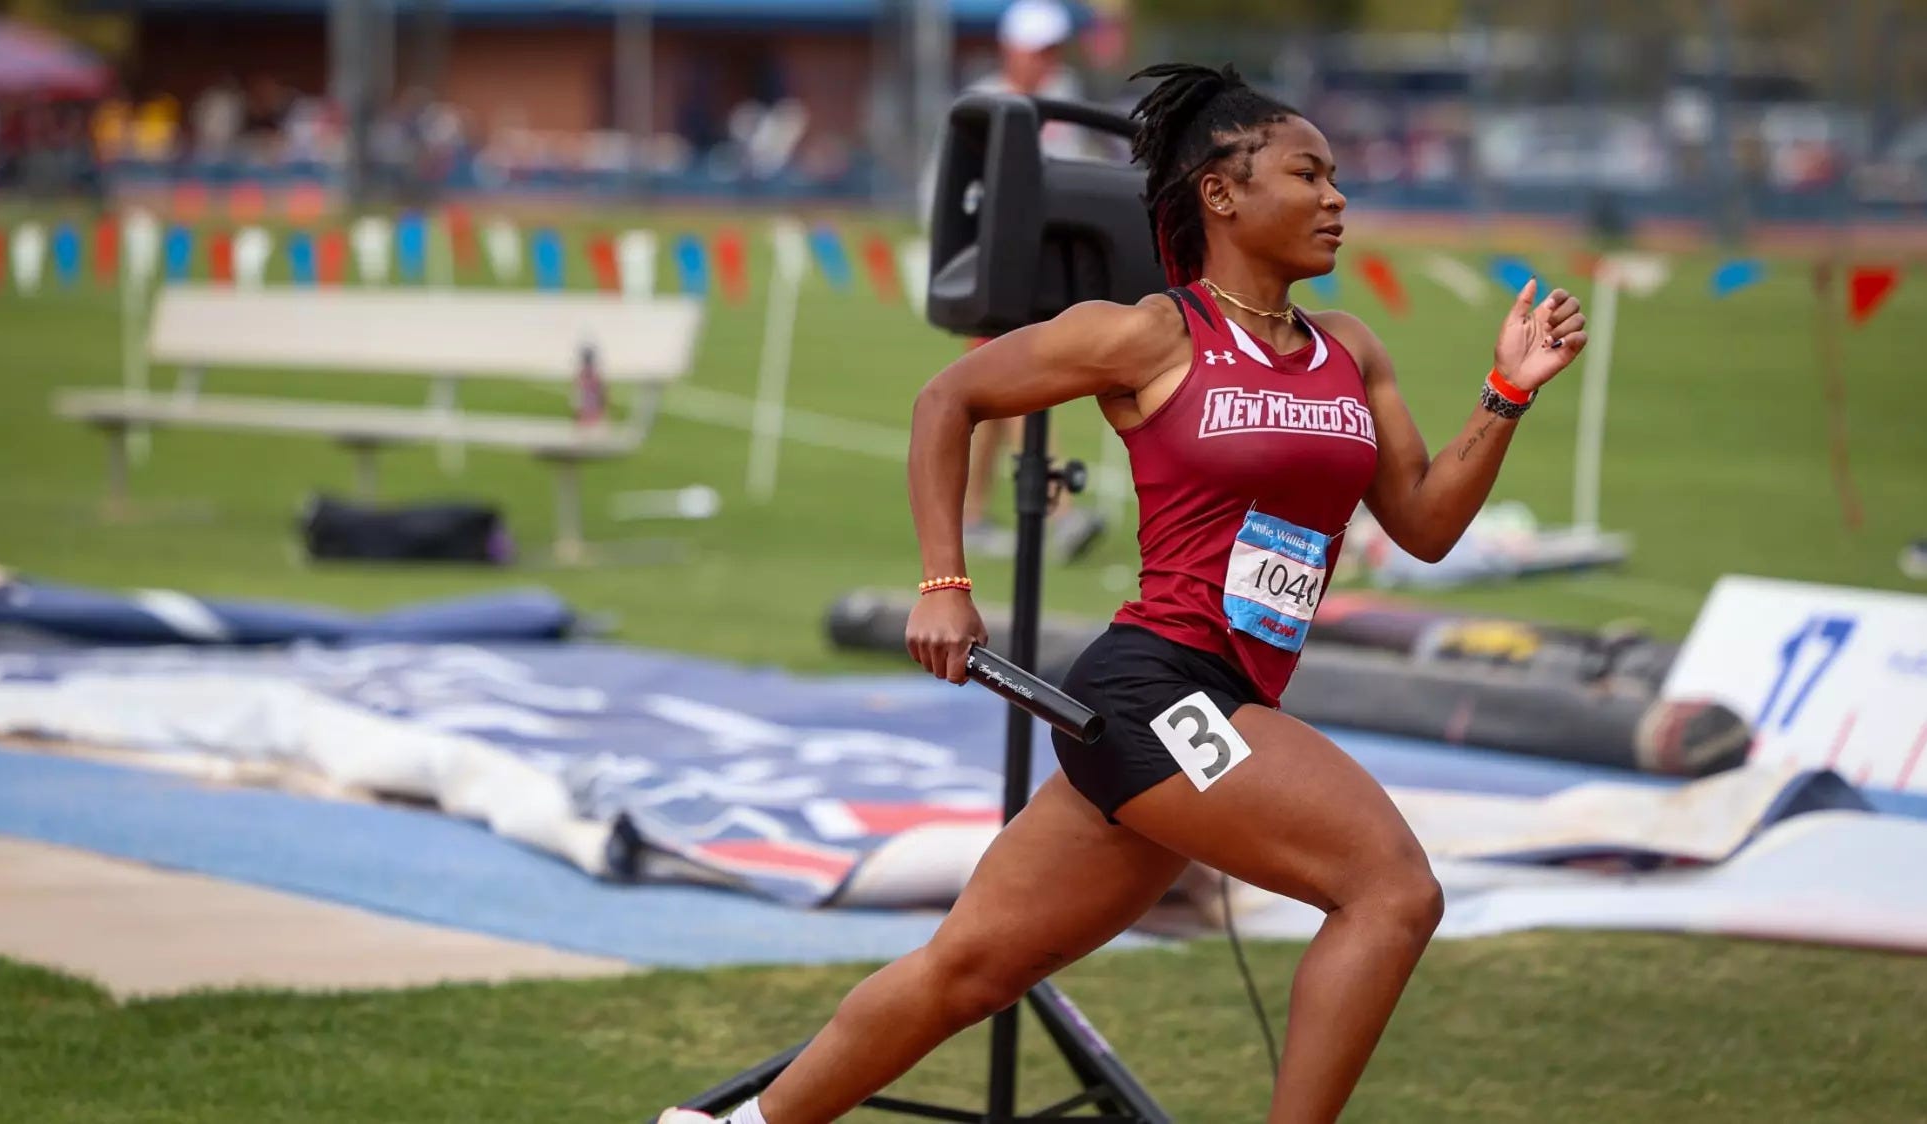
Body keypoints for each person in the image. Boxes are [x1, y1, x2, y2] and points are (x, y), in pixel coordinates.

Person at [659, 62, 1587, 1124]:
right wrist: (944, 582)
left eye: (1336, 177)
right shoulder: (1153, 334)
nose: (1337, 197)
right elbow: (947, 398)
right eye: (1308, 174)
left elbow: (1423, 524)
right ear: (1221, 192)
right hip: (1159, 689)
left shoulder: (1351, 350)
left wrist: (1505, 392)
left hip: (1213, 706)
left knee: (969, 970)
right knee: (1391, 888)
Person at [952, 0, 1109, 562]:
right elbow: (954, 192)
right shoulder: (983, 105)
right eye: (1038, 49)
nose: (1048, 59)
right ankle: (1059, 511)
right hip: (995, 269)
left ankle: (969, 518)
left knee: (992, 397)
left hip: (1045, 267)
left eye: (1053, 48)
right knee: (1017, 382)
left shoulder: (1066, 98)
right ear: (1010, 49)